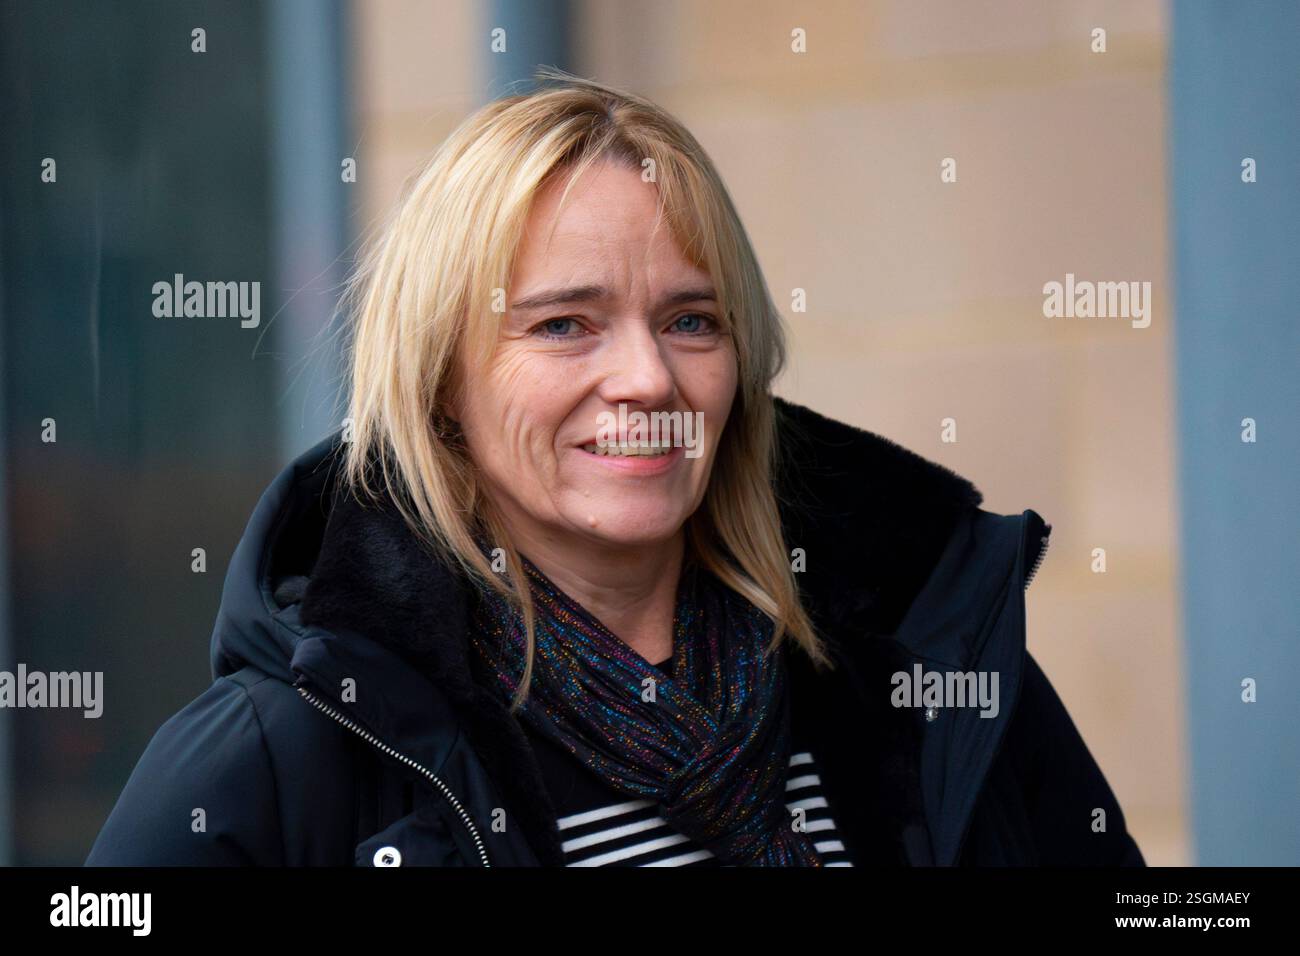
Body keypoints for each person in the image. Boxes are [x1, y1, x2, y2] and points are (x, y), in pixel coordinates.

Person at [85, 69, 1144, 868]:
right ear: (442, 380)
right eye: (563, 324)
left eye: (690, 319)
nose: (646, 378)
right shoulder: (285, 753)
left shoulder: (916, 660)